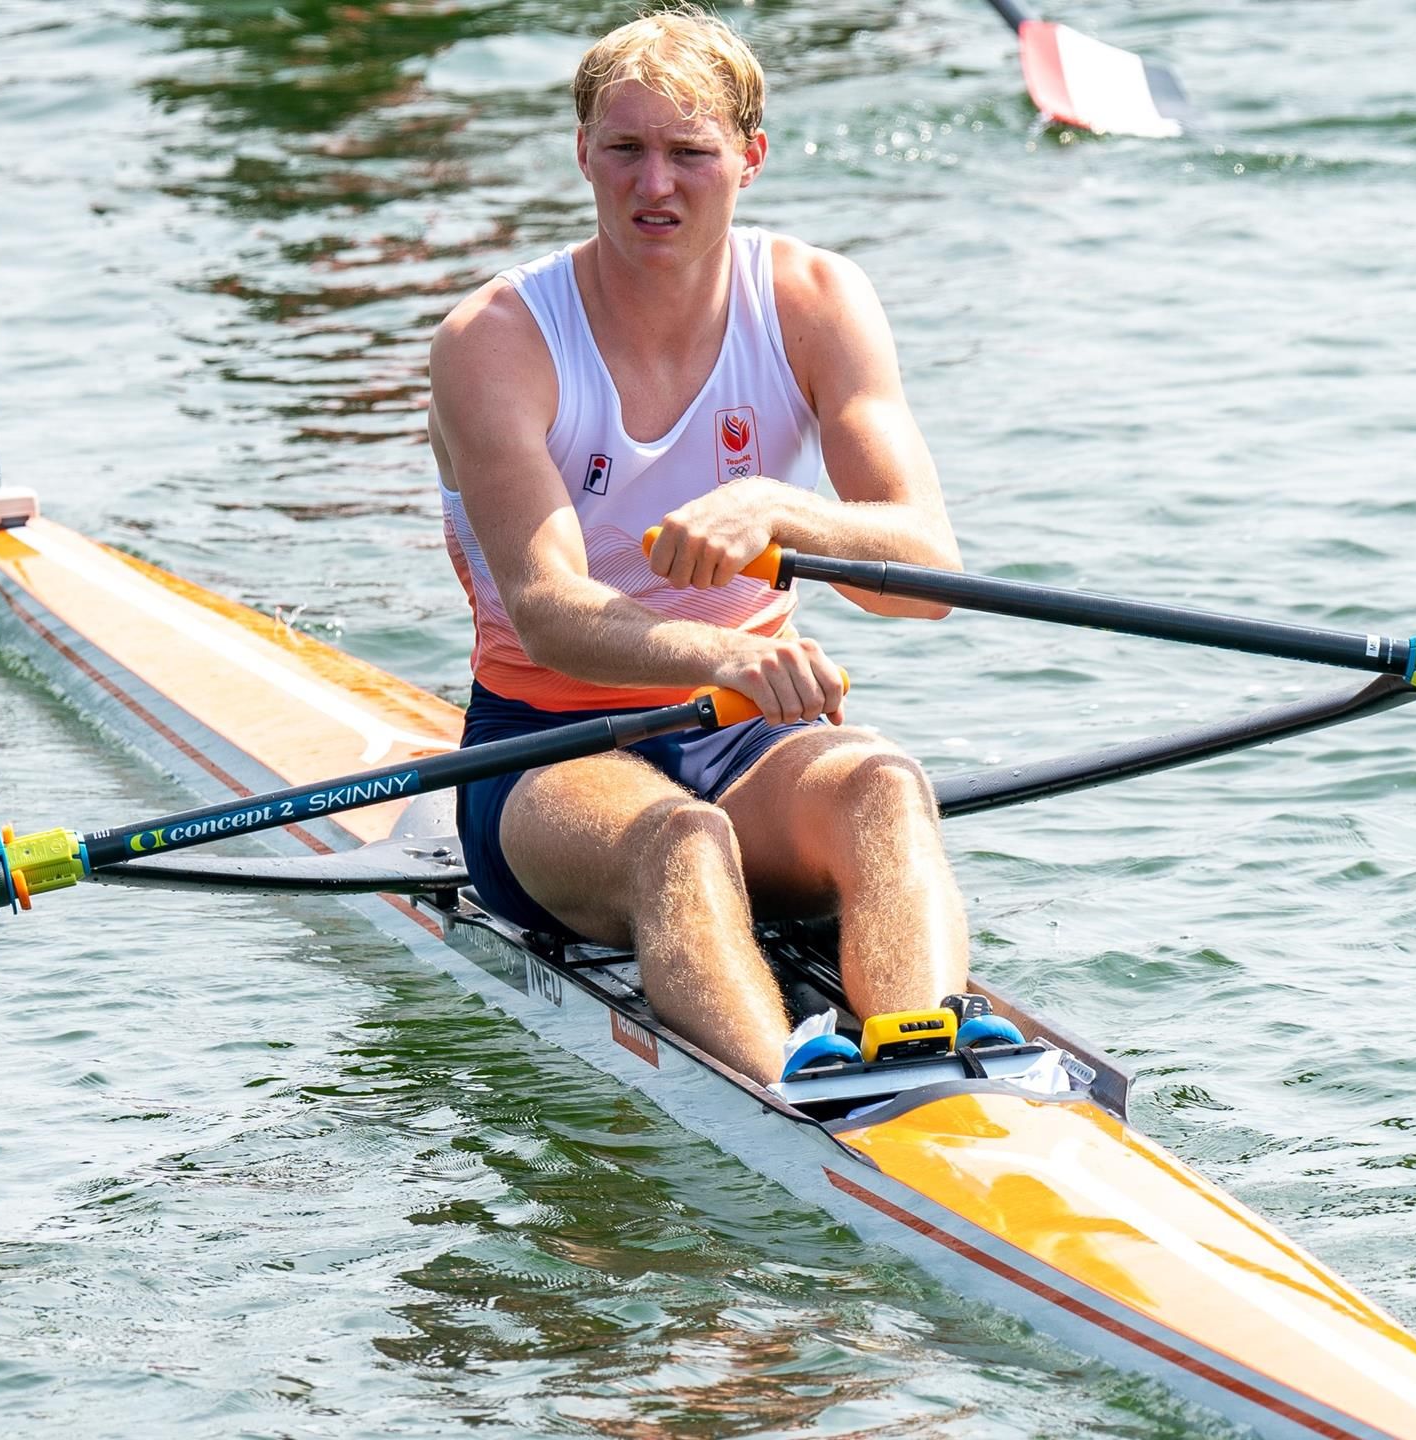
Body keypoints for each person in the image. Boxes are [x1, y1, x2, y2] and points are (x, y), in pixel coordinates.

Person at [426, 6, 999, 1084]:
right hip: (547, 755)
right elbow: (547, 611)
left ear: (749, 158)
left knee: (883, 780)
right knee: (679, 843)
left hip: (745, 742)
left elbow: (926, 579)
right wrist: (722, 655)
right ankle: (791, 1101)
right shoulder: (495, 342)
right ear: (582, 154)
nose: (656, 186)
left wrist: (781, 510)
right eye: (626, 150)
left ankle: (921, 1059)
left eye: (690, 152)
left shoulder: (814, 299)